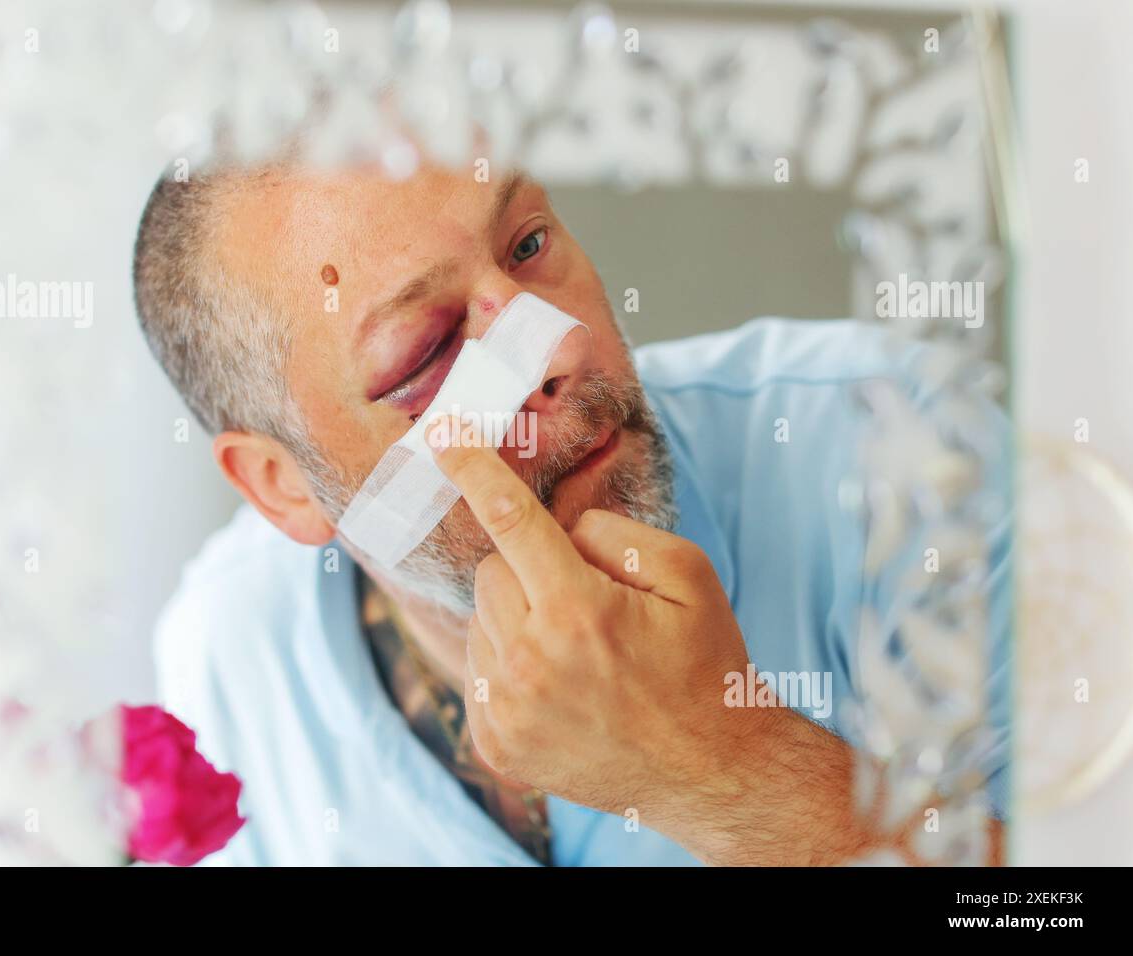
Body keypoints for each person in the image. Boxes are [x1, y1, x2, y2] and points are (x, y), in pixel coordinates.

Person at [132, 161, 1010, 865]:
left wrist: (726, 768)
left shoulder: (905, 453)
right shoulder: (230, 667)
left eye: (529, 244)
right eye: (429, 353)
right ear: (283, 485)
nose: (557, 343)